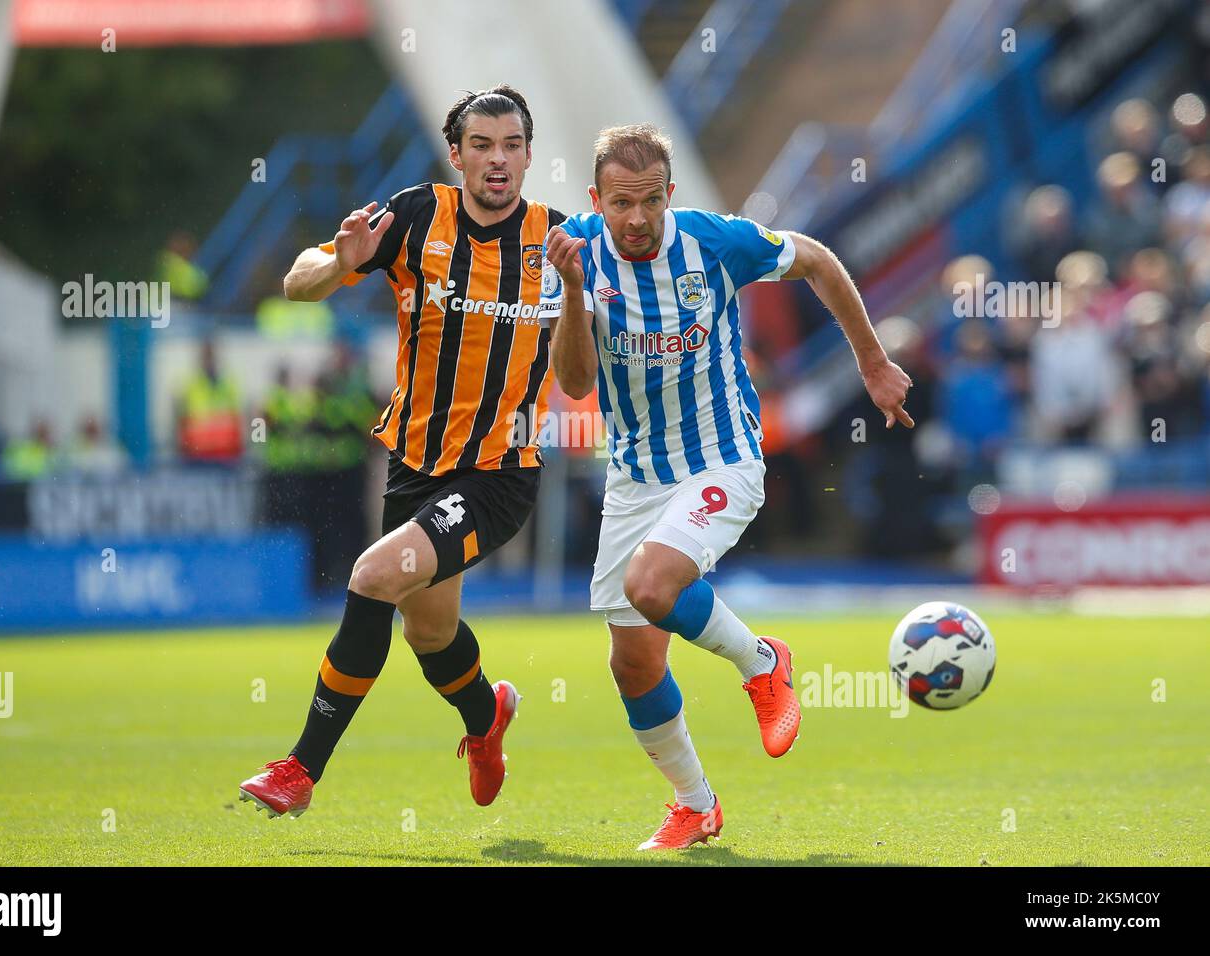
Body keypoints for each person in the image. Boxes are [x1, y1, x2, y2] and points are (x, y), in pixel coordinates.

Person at [546, 124, 913, 850]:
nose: (639, 218)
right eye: (622, 202)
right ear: (596, 199)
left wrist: (871, 362)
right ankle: (695, 804)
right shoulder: (573, 252)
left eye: (652, 200)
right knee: (633, 664)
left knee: (652, 586)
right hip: (635, 475)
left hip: (722, 459)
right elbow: (577, 382)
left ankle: (763, 661)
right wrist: (572, 291)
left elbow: (815, 259)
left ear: (669, 194)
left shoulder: (713, 241)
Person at [238, 85, 567, 818]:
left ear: (528, 155)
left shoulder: (559, 241)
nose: (498, 160)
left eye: (511, 146)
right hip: (415, 462)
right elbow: (299, 282)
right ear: (456, 155)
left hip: (497, 474)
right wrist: (339, 263)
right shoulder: (417, 215)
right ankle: (487, 719)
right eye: (481, 145)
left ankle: (299, 769)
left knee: (372, 574)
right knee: (430, 631)